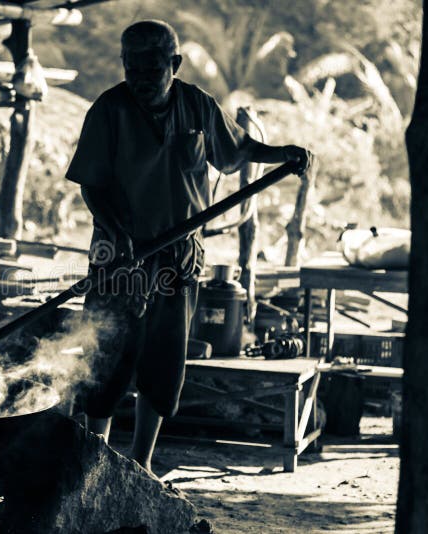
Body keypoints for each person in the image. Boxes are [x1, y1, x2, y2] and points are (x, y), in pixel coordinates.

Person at [65, 20, 313, 474]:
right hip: (119, 256)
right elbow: (92, 188)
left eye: (152, 67)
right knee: (106, 362)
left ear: (174, 65)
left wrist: (283, 154)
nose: (140, 77)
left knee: (162, 365)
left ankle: (141, 466)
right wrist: (121, 238)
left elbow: (235, 151)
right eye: (131, 66)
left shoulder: (198, 106)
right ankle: (91, 462)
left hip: (178, 259)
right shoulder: (109, 110)